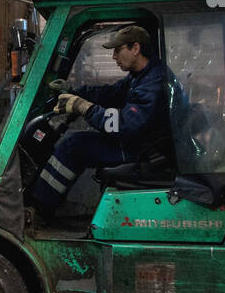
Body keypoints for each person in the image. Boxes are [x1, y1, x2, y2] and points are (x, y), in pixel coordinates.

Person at [27, 24, 171, 225]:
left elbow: (124, 125)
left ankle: (37, 210)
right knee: (75, 143)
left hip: (141, 149)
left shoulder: (152, 83)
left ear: (135, 49)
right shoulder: (141, 75)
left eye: (118, 50)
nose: (114, 57)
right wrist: (74, 93)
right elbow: (110, 93)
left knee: (73, 147)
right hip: (140, 142)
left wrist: (85, 108)